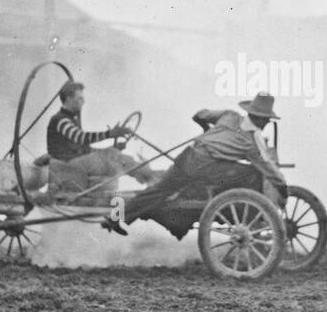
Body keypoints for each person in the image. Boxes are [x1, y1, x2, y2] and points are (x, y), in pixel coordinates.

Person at [122, 92, 287, 239]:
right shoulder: (252, 141)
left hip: (188, 156)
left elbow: (200, 115)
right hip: (205, 166)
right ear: (258, 118)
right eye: (266, 119)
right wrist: (282, 187)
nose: (266, 123)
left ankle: (116, 217)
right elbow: (268, 167)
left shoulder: (229, 116)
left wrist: (207, 131)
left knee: (159, 190)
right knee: (253, 173)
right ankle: (245, 213)